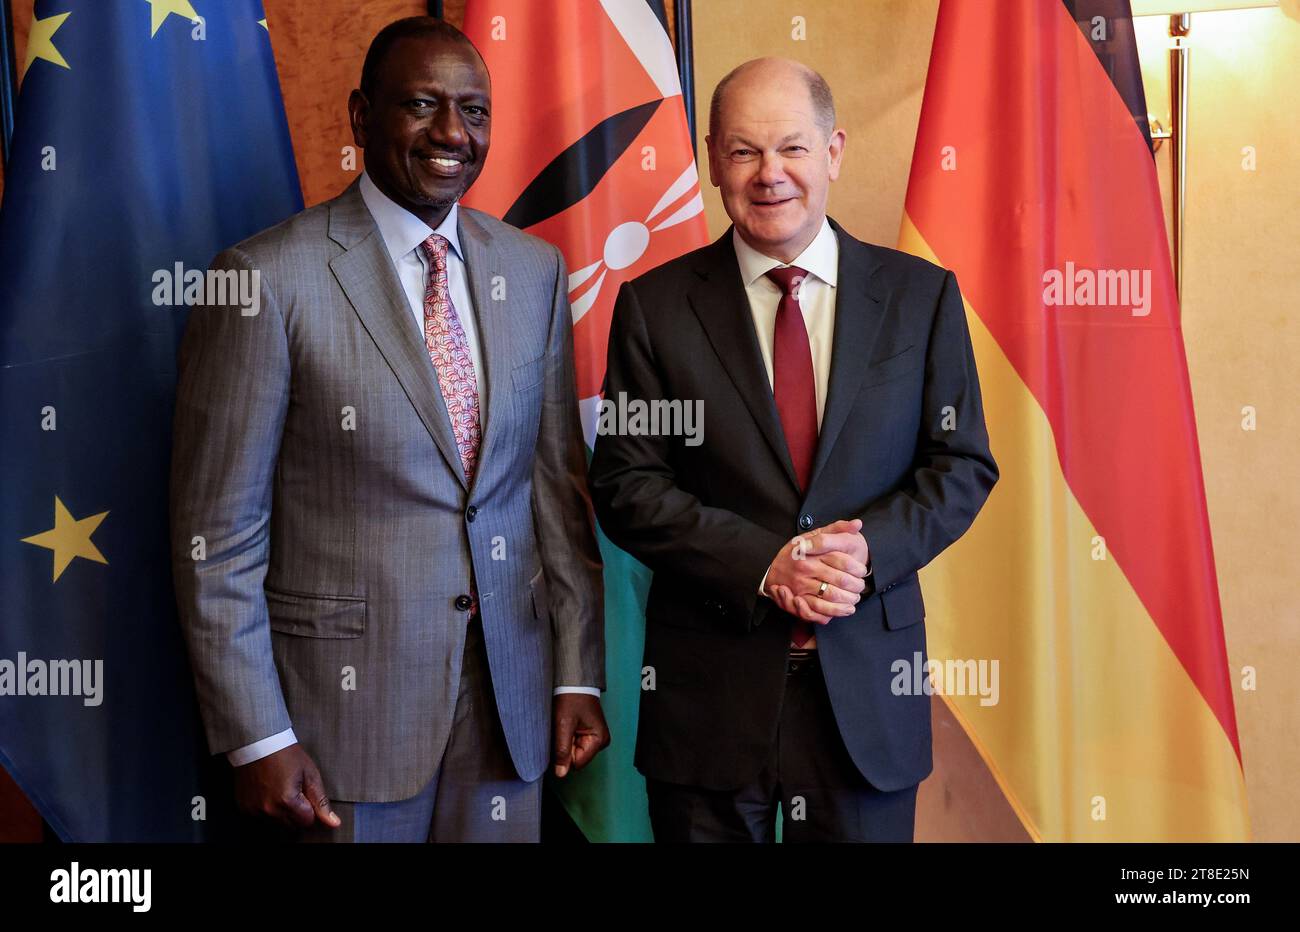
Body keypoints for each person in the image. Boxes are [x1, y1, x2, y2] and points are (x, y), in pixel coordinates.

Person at [170, 17, 608, 843]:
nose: (453, 133)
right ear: (361, 118)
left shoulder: (533, 270)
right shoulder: (265, 279)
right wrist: (257, 734)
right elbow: (216, 539)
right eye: (422, 105)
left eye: (474, 111)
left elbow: (555, 491)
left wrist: (574, 675)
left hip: (508, 710)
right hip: (338, 726)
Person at [589, 57, 998, 842]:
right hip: (706, 702)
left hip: (865, 701)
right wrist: (763, 563)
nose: (769, 174)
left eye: (793, 148)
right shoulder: (656, 307)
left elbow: (960, 465)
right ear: (713, 160)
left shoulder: (921, 299)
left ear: (835, 151)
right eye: (743, 151)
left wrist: (863, 553)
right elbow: (626, 481)